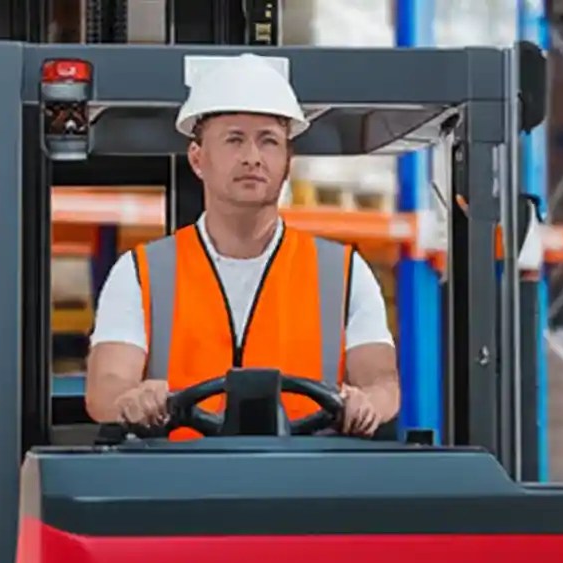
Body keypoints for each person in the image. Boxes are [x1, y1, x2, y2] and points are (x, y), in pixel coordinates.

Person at [84, 53, 400, 438]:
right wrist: (131, 400)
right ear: (198, 159)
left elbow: (382, 381)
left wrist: (367, 402)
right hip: (178, 486)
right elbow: (106, 386)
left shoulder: (344, 272)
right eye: (234, 140)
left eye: (268, 141)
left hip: (310, 484)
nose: (252, 157)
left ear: (288, 161)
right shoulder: (140, 272)